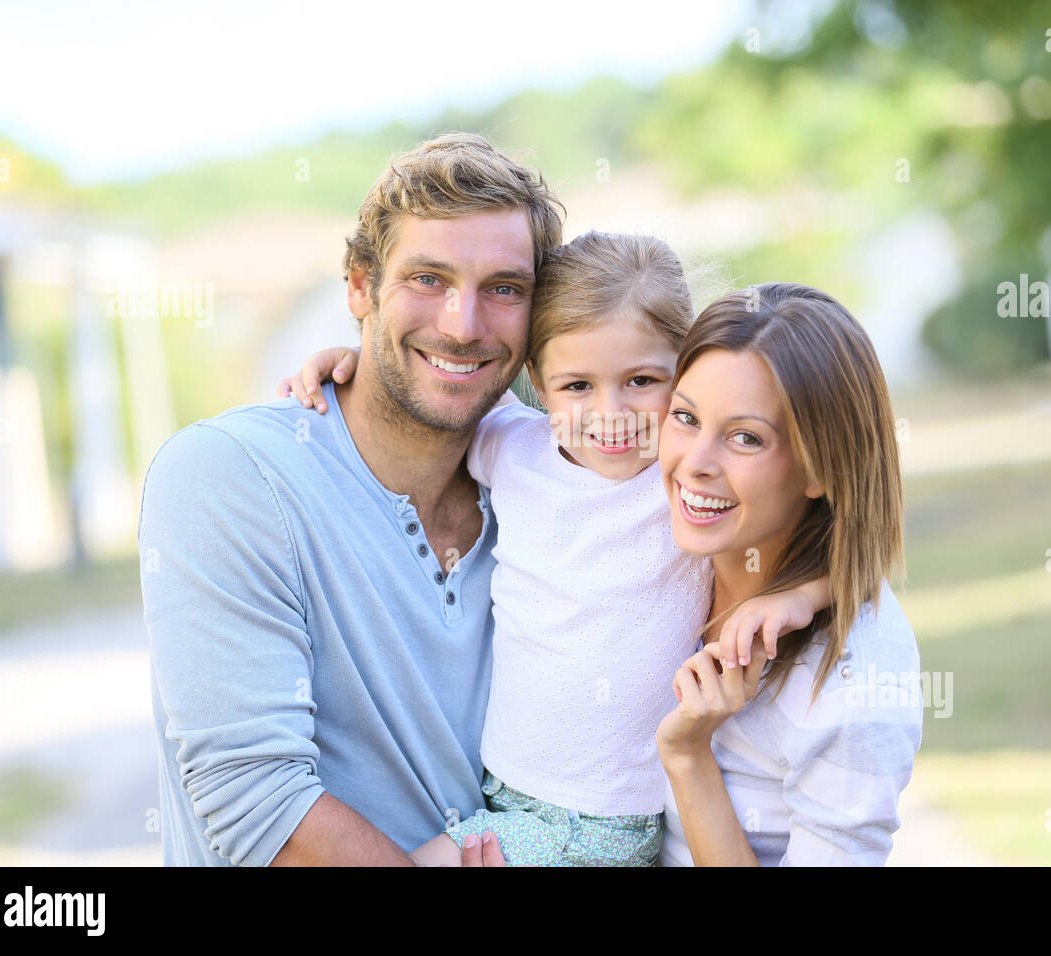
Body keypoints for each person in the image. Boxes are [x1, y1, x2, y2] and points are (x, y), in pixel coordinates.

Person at [285, 232, 832, 866]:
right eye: (577, 386)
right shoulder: (512, 446)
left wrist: (802, 593)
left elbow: (848, 542)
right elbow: (420, 408)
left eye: (642, 380)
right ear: (537, 384)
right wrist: (351, 367)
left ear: (687, 373)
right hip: (502, 795)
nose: (611, 413)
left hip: (598, 821)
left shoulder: (684, 485)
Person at [138, 132, 565, 866]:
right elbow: (260, 811)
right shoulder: (229, 476)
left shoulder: (558, 482)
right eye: (427, 279)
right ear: (360, 288)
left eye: (504, 288)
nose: (464, 326)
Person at [653, 283, 923, 865]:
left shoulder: (854, 683)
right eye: (685, 416)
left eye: (746, 438)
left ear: (821, 467)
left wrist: (689, 756)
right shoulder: (659, 535)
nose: (693, 464)